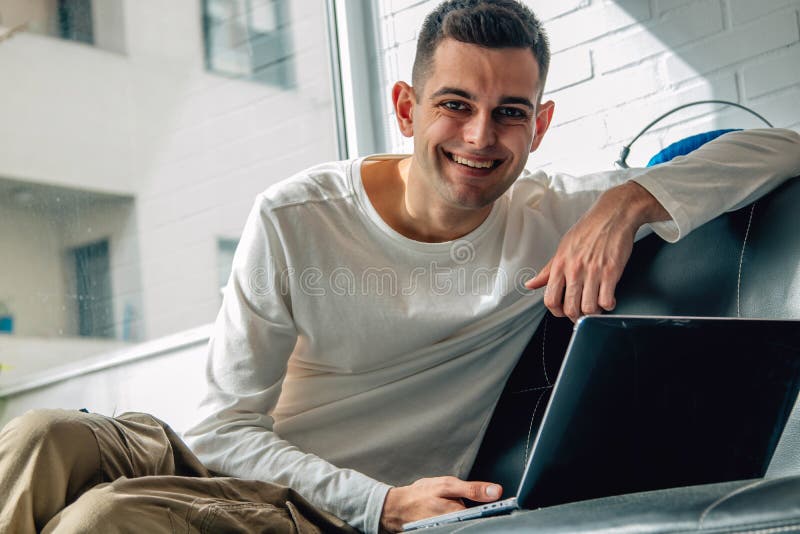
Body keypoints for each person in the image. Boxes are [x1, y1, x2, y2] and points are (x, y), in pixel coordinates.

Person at [1, 1, 799, 533]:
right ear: (407, 107)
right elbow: (223, 430)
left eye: (510, 113)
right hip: (240, 462)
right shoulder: (297, 216)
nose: (482, 137)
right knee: (40, 436)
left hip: (306, 515)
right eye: (455, 104)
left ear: (541, 123)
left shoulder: (551, 212)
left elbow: (781, 147)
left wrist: (626, 203)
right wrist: (381, 502)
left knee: (101, 520)